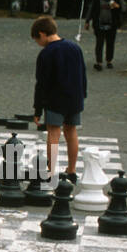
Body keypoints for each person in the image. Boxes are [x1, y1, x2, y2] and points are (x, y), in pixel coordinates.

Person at [30, 16, 86, 176]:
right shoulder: (75, 48)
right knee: (71, 132)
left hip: (55, 99)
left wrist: (37, 109)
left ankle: (51, 170)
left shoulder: (46, 53)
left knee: (54, 133)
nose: (38, 43)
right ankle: (72, 169)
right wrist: (83, 94)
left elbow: (41, 83)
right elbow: (83, 74)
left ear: (42, 34)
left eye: (36, 40)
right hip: (75, 98)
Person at [85, 0, 123, 70]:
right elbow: (91, 8)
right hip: (99, 23)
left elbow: (124, 8)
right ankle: (99, 62)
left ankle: (109, 61)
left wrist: (118, 6)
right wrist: (87, 21)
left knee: (110, 43)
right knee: (99, 43)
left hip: (112, 23)